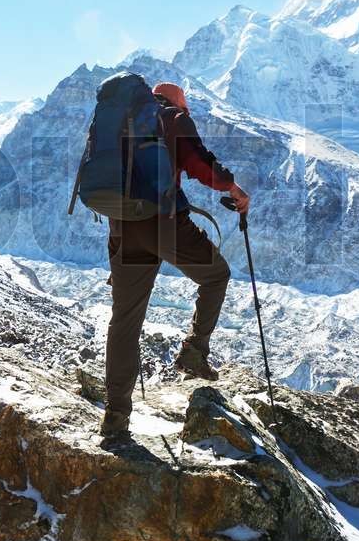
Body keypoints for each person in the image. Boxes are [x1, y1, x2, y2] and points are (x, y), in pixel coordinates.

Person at [101, 81, 250, 442]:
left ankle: (115, 417)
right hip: (164, 224)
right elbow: (201, 165)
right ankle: (194, 352)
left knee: (125, 321)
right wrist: (234, 188)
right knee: (216, 275)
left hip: (122, 227)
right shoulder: (174, 118)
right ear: (178, 104)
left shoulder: (118, 123)